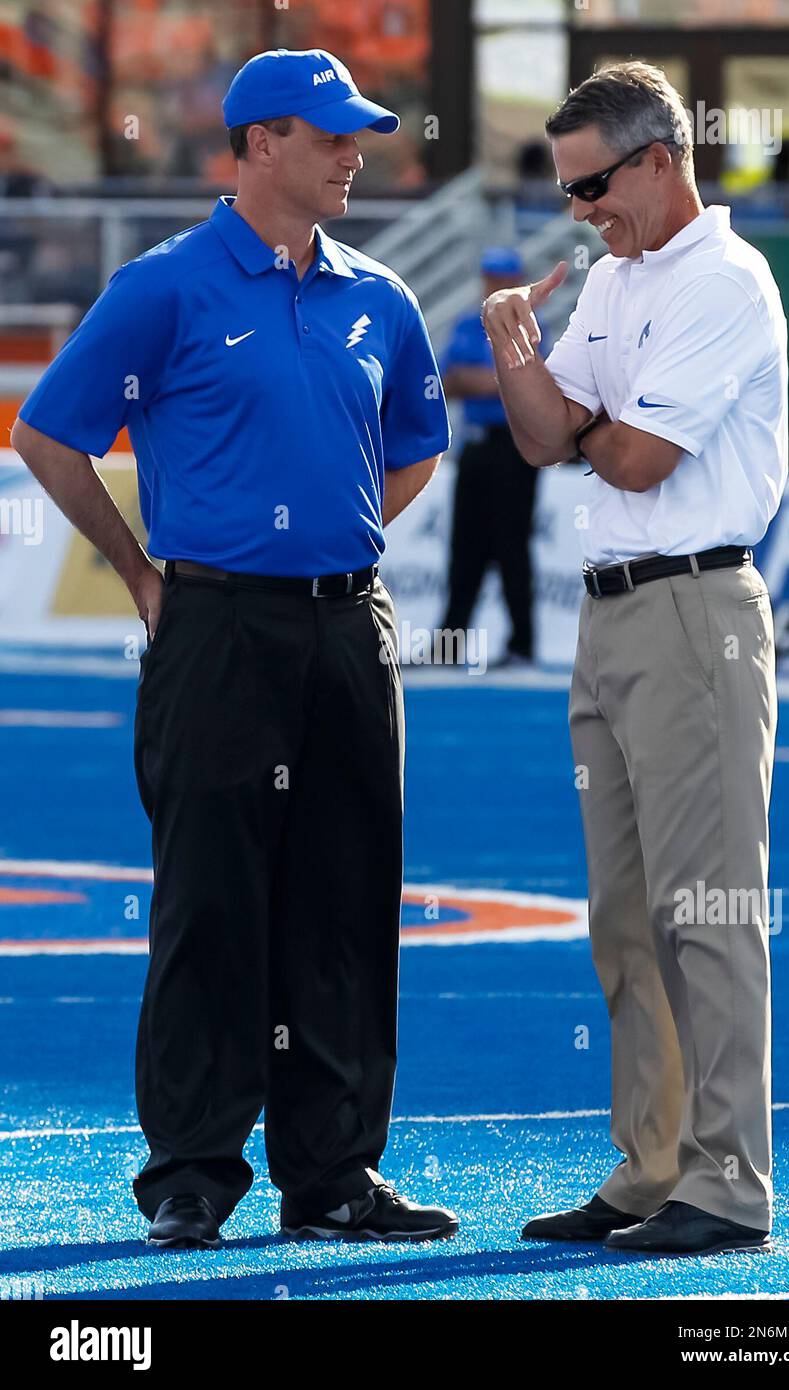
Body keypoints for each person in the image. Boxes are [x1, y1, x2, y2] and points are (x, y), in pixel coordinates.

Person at [12, 48, 458, 1249]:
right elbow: (49, 431)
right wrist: (143, 577)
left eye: (357, 132)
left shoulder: (384, 296)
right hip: (212, 624)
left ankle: (333, 1175)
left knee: (349, 901)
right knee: (210, 898)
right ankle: (192, 1172)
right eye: (331, 136)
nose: (355, 152)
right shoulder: (165, 287)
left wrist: (339, 544)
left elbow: (416, 444)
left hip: (346, 627)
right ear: (260, 144)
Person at [482, 62, 787, 1256]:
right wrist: (517, 349)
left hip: (693, 607)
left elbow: (631, 460)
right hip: (616, 616)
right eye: (567, 187)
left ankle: (726, 1180)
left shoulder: (724, 279)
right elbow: (544, 434)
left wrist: (574, 419)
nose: (579, 209)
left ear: (659, 158)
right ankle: (653, 1162)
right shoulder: (615, 279)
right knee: (623, 914)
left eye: (593, 182)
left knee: (705, 908)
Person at [441, 248, 540, 667]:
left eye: (503, 279)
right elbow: (448, 381)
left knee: (511, 544)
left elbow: (531, 383)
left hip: (514, 445)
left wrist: (484, 381)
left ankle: (521, 644)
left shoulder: (531, 326)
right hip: (477, 443)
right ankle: (449, 645)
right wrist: (500, 380)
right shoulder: (469, 324)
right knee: (464, 546)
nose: (494, 287)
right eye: (490, 278)